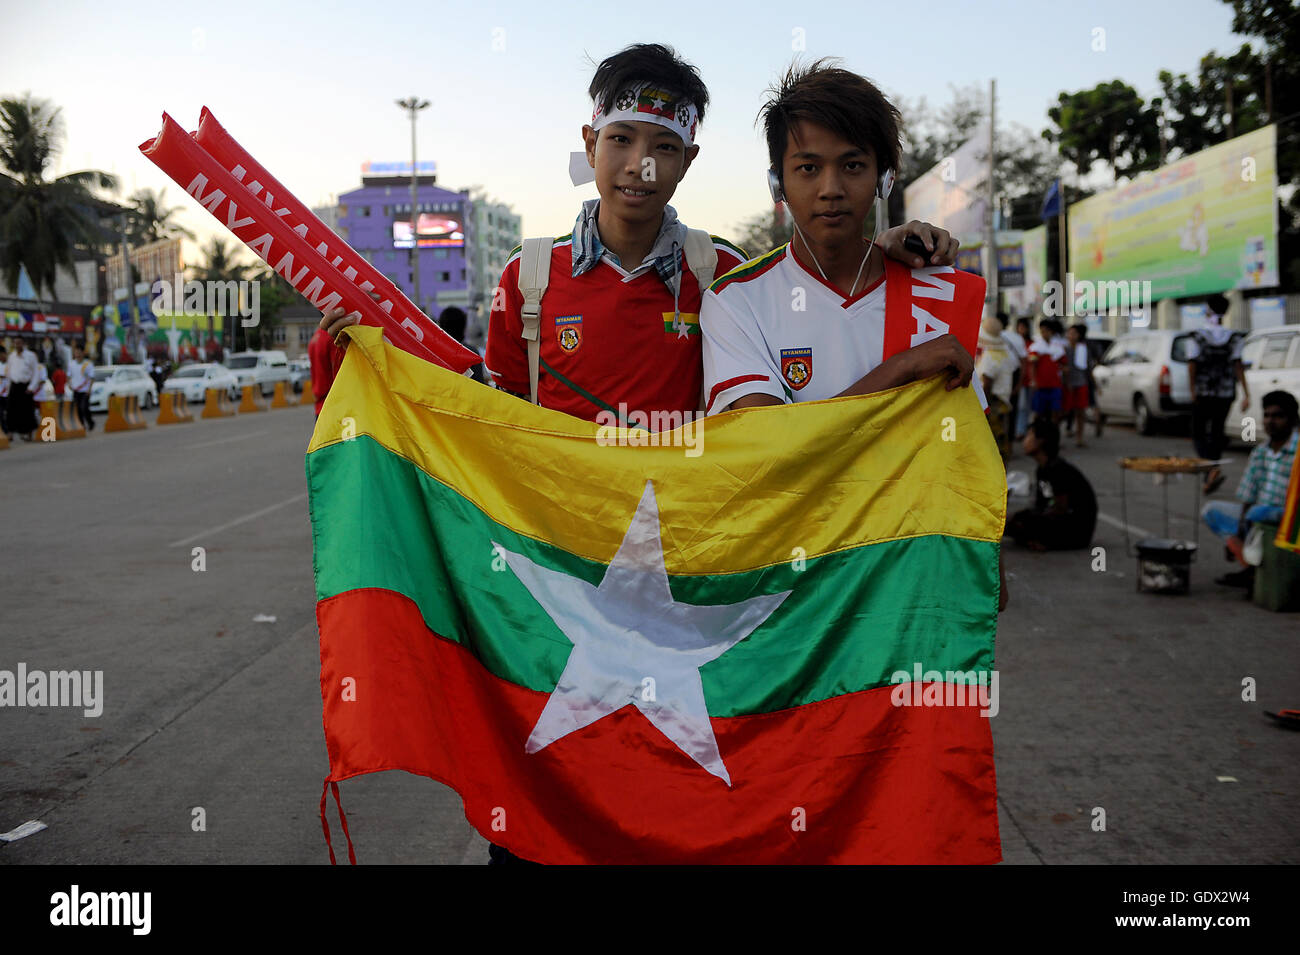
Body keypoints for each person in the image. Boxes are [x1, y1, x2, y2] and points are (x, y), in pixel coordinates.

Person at [319, 44, 960, 863]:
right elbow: (489, 427)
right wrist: (380, 365)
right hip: (555, 589)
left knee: (676, 797)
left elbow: (791, 376)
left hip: (687, 591)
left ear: (689, 160)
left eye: (662, 148)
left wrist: (892, 245)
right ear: (590, 143)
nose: (639, 167)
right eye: (621, 141)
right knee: (539, 799)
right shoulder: (529, 280)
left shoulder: (722, 276)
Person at [698, 60, 1004, 608]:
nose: (832, 189)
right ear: (778, 183)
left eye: (853, 165)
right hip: (790, 592)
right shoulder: (735, 299)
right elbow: (769, 456)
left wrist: (988, 555)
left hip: (907, 584)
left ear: (884, 178)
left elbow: (962, 450)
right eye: (808, 167)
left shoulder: (933, 291)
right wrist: (898, 372)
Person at [1202, 391, 1298, 588]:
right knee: (1212, 511)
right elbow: (1248, 494)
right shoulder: (1260, 452)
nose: (1271, 421)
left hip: (1291, 517)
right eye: (1267, 415)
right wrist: (1238, 535)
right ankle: (1251, 570)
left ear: (1292, 419)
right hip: (1257, 517)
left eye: (1278, 416)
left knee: (1258, 512)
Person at [1187, 294, 1248, 495]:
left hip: (1204, 392)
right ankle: (1211, 472)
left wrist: (1192, 390)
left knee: (1198, 433)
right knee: (1216, 433)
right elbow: (1238, 366)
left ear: (1208, 310)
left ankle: (1211, 468)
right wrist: (1245, 393)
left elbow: (1192, 365)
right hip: (1225, 392)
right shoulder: (1234, 337)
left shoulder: (1197, 335)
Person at [1006, 418, 1097, 551]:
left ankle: (1047, 542)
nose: (1025, 441)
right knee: (1012, 523)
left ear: (1041, 441)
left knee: (1021, 524)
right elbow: (1045, 502)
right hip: (1062, 521)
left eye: (1029, 435)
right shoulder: (1043, 469)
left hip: (1077, 530)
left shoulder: (1057, 470)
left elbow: (1060, 508)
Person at [976, 315, 1014, 460]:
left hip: (993, 403)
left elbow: (987, 383)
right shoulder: (1006, 353)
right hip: (1004, 401)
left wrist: (984, 407)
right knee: (1002, 439)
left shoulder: (989, 357)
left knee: (993, 443)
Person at [1027, 318, 1065, 424]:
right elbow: (1032, 366)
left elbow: (1064, 364)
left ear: (1051, 331)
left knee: (1055, 412)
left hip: (1055, 384)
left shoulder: (1058, 347)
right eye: (1042, 331)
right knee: (1039, 413)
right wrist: (1033, 380)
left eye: (1046, 331)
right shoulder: (1035, 347)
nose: (1044, 333)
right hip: (1040, 385)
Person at [1062, 323, 1090, 448]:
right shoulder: (1063, 349)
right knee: (1063, 411)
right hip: (1067, 384)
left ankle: (1080, 437)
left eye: (1074, 333)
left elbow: (1087, 367)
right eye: (1070, 333)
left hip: (1081, 382)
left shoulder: (1083, 349)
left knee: (1080, 412)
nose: (1071, 335)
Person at [4, 338, 38, 441]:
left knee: (27, 411)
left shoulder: (30, 356)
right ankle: (10, 433)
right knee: (11, 410)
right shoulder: (12, 356)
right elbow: (9, 372)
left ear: (23, 343)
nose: (17, 345)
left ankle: (28, 433)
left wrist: (32, 387)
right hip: (14, 386)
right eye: (15, 343)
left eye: (19, 343)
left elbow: (36, 373)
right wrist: (8, 387)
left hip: (25, 386)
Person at [306, 325, 337, 417]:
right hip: (332, 405)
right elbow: (338, 372)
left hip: (320, 405)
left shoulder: (316, 336)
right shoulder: (333, 337)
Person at [68, 343, 95, 431]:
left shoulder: (88, 364)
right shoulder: (71, 364)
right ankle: (81, 425)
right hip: (76, 390)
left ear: (83, 353)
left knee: (84, 407)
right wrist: (69, 385)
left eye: (79, 352)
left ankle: (90, 422)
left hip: (85, 390)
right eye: (76, 352)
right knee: (77, 409)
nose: (77, 354)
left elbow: (92, 378)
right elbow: (69, 376)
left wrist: (89, 389)